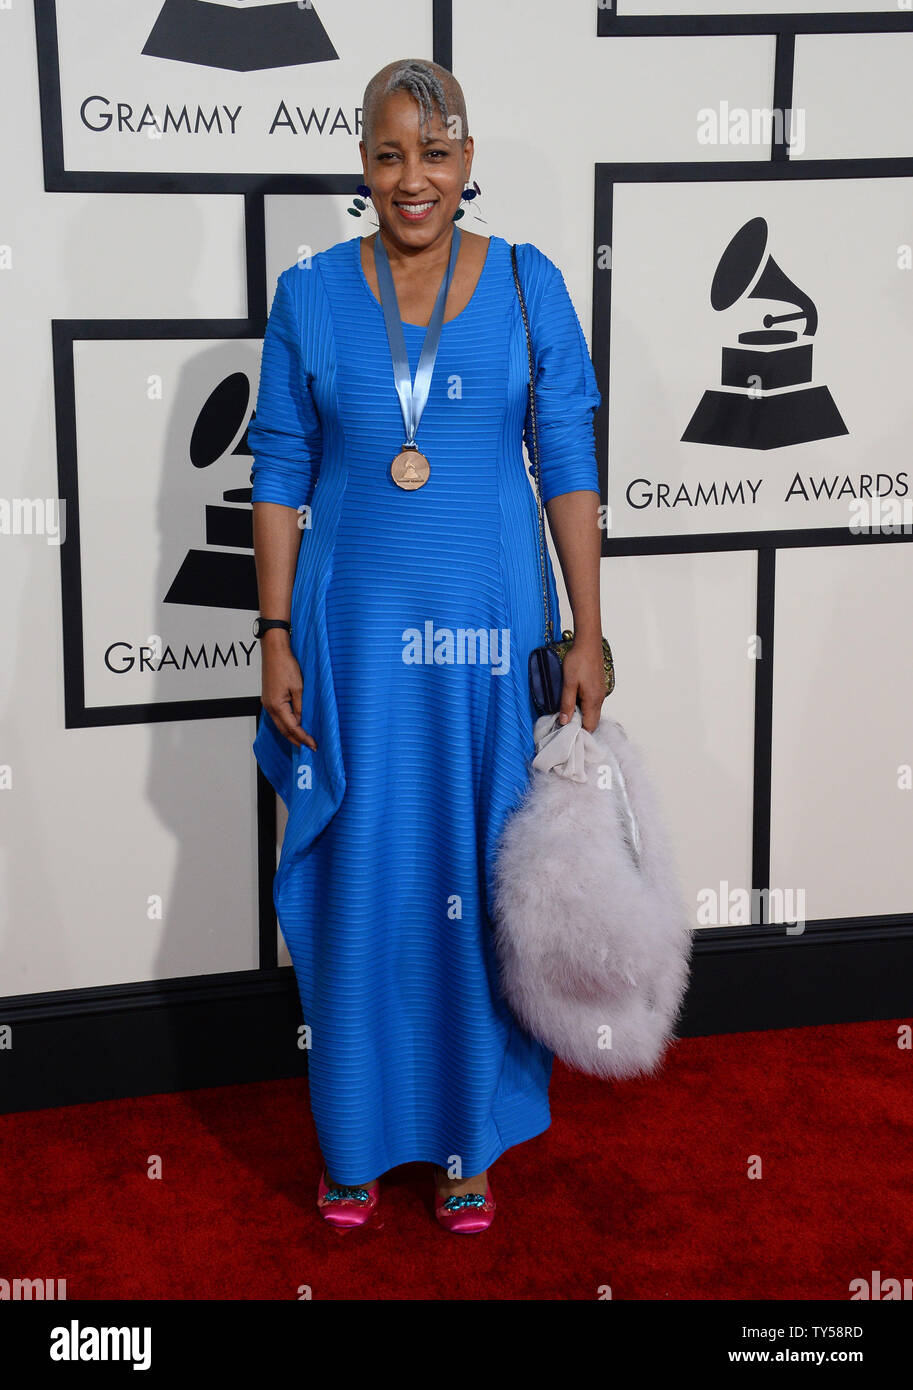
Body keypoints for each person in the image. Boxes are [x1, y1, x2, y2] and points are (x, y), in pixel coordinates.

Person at [247, 58, 607, 1234]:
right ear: (363, 161)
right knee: (365, 879)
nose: (415, 178)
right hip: (351, 644)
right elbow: (283, 471)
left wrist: (589, 629)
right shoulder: (307, 294)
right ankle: (352, 1137)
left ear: (467, 160)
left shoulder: (523, 284)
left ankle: (468, 1139)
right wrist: (271, 632)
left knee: (479, 877)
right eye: (390, 152)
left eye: (436, 152)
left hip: (490, 646)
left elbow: (566, 461)